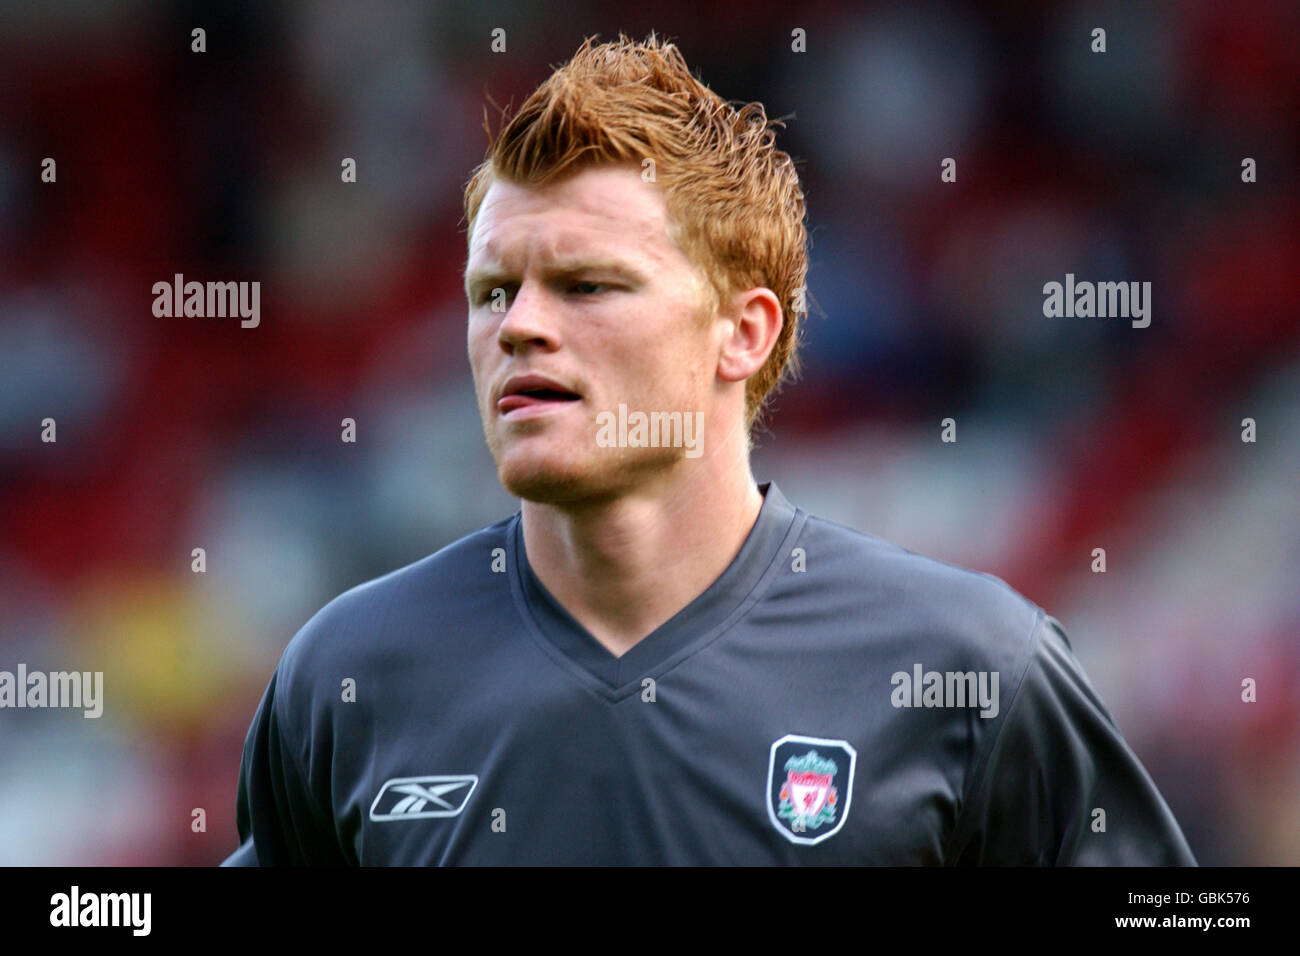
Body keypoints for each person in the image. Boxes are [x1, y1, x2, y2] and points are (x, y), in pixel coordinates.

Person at [222, 33, 1195, 865]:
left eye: (587, 285)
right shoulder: (348, 676)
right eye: (492, 291)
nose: (518, 326)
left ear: (744, 332)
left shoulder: (969, 666)